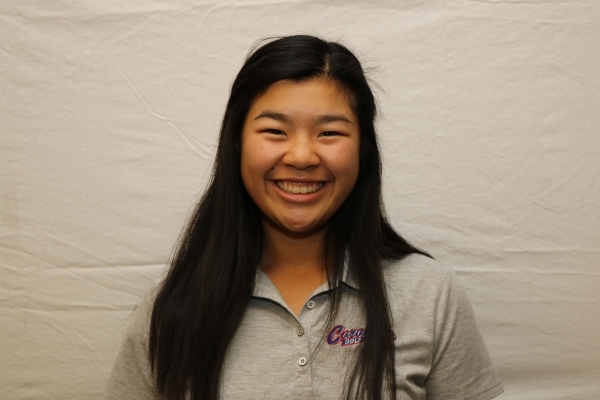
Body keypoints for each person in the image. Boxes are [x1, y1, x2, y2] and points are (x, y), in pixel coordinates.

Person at [105, 35, 503, 400]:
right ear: (236, 144)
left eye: (329, 133)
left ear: (363, 151)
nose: (300, 157)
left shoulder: (429, 293)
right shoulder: (172, 308)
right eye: (275, 131)